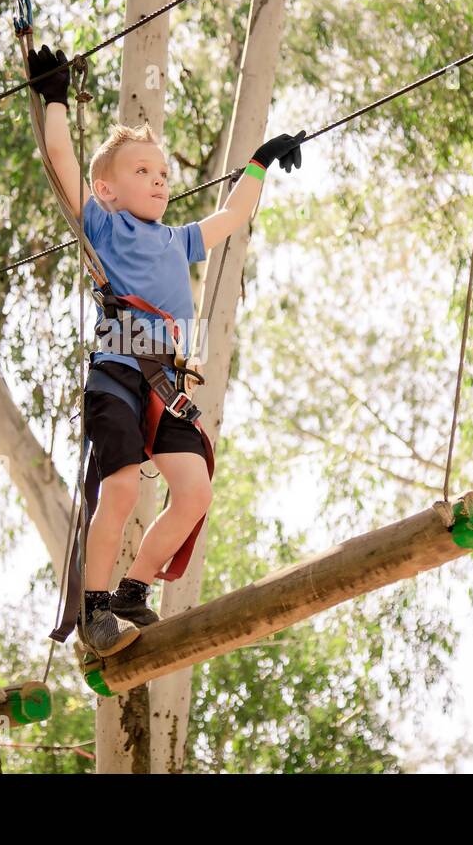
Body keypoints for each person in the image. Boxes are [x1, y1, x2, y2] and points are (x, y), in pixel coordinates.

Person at [29, 43, 304, 655]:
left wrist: (260, 160)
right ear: (108, 189)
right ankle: (94, 605)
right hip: (118, 374)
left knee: (196, 491)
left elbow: (233, 214)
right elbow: (60, 158)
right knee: (122, 486)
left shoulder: (179, 240)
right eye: (142, 173)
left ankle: (132, 590)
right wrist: (51, 98)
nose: (157, 182)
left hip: (166, 385)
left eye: (162, 175)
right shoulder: (102, 223)